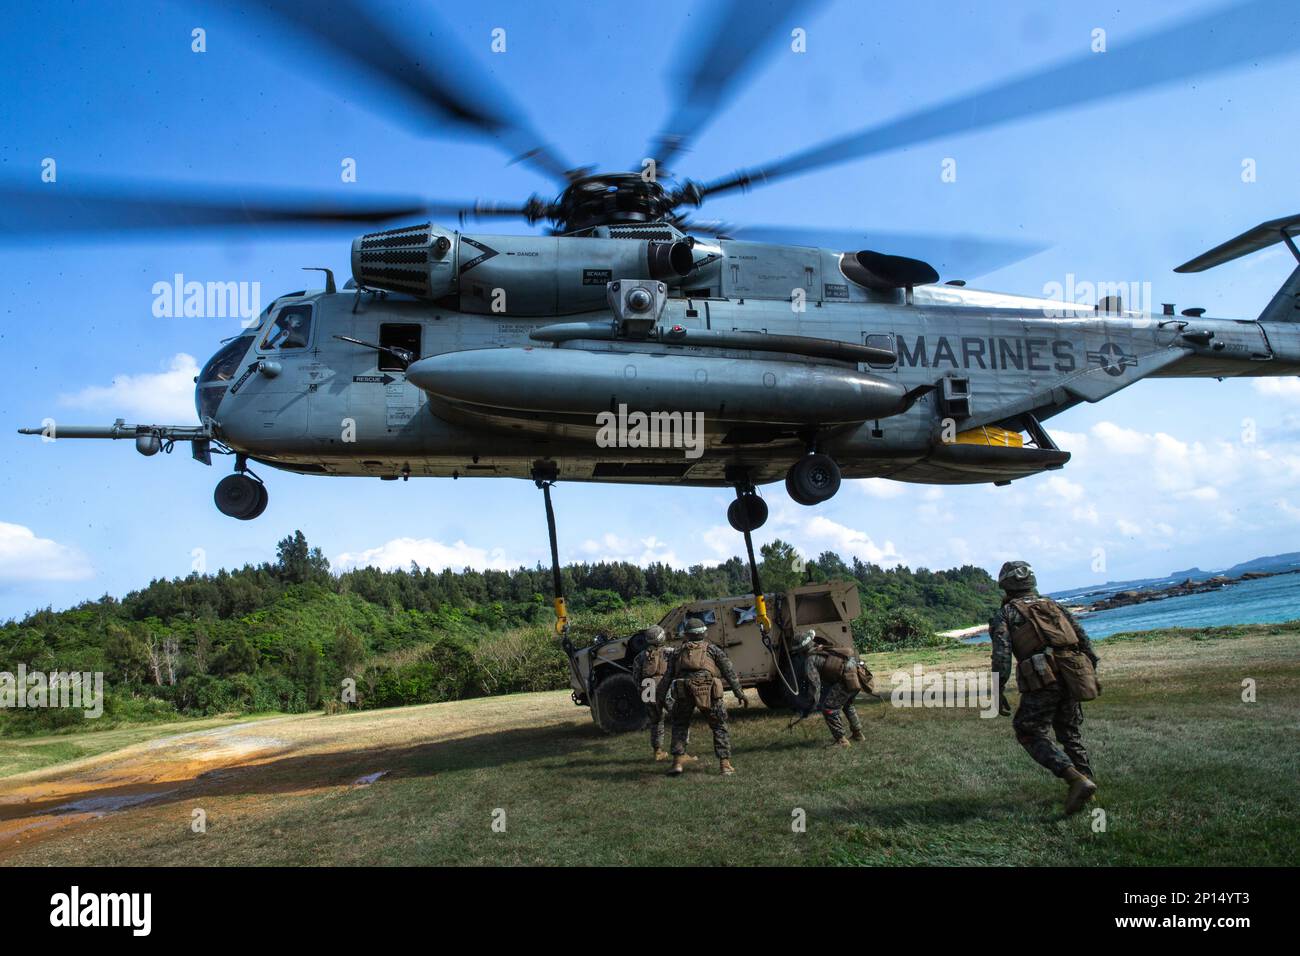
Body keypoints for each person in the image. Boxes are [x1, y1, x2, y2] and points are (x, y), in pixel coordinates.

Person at [989, 560, 1101, 815]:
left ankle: (1076, 780)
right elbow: (1083, 641)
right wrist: (1090, 674)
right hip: (1073, 671)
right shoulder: (1054, 606)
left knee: (1027, 730)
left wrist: (997, 689)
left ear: (1005, 585)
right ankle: (1087, 787)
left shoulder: (1006, 614)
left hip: (1043, 677)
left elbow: (1002, 655)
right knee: (1069, 732)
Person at [666, 616, 747, 775]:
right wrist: (739, 693)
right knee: (719, 726)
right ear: (704, 632)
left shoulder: (677, 652)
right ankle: (725, 765)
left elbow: (667, 677)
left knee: (680, 725)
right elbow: (728, 672)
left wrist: (660, 696)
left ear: (686, 634)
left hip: (683, 692)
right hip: (708, 691)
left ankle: (677, 764)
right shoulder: (712, 649)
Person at [790, 629, 867, 746]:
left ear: (802, 650)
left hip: (845, 681)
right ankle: (858, 734)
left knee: (828, 708)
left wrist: (809, 706)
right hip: (855, 678)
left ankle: (841, 740)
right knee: (847, 704)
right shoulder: (823, 648)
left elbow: (815, 686)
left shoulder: (810, 660)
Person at [629, 625, 675, 761]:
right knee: (679, 720)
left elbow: (636, 678)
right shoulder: (670, 652)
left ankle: (657, 751)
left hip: (647, 689)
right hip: (666, 688)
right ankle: (680, 752)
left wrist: (641, 691)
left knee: (655, 721)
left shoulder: (640, 657)